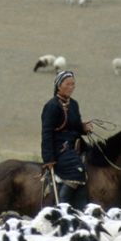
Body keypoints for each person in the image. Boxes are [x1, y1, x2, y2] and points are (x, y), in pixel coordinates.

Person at [41, 70, 93, 210]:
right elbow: (46, 133)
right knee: (77, 171)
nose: (71, 87)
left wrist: (84, 128)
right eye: (68, 84)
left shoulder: (74, 104)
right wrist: (48, 159)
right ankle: (62, 206)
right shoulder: (51, 106)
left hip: (75, 145)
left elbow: (75, 126)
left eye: (73, 84)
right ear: (59, 86)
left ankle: (81, 208)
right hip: (60, 149)